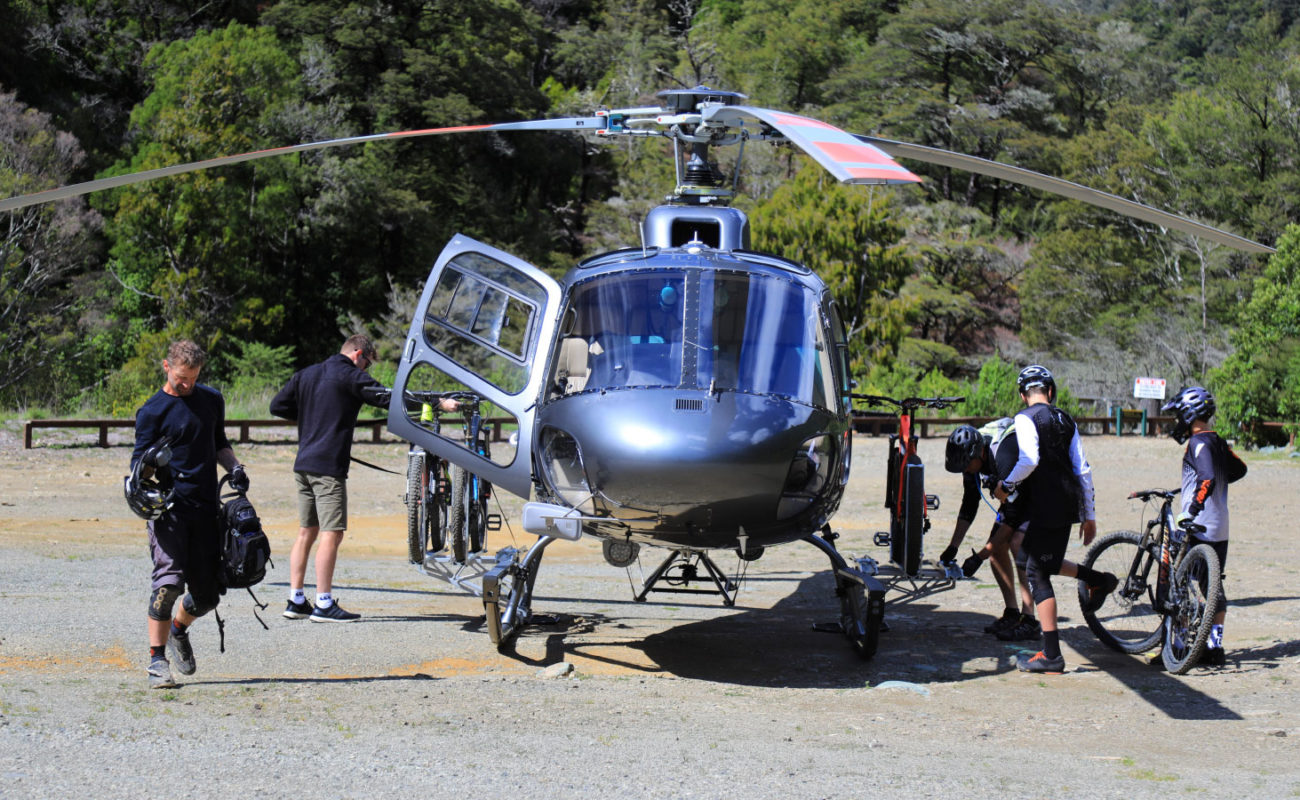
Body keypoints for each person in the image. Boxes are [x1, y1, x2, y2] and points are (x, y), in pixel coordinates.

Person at [270, 334, 455, 622]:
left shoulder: (306, 374)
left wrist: (313, 416)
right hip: (328, 468)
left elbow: (277, 406)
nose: (366, 369)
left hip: (303, 464)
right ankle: (323, 603)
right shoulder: (350, 376)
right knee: (332, 533)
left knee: (307, 531)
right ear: (358, 354)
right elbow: (389, 397)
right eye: (367, 364)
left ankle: (295, 600)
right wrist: (436, 402)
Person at [131, 340, 248, 689]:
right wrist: (152, 462)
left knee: (208, 596)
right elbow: (139, 470)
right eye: (182, 378)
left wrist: (235, 467)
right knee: (168, 585)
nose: (188, 385)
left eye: (194, 378)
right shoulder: (151, 412)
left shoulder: (211, 400)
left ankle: (178, 630)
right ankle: (156, 662)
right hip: (169, 511)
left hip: (206, 510)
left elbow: (219, 443)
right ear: (166, 366)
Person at [995, 364, 1116, 674]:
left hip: (1046, 505)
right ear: (1050, 391)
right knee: (1031, 560)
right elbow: (1082, 469)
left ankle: (1051, 655)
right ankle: (1097, 580)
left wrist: (1006, 485)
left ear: (1023, 395)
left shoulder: (1025, 418)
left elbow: (1029, 460)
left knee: (1037, 573)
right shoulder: (1066, 419)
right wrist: (1089, 515)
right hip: (1067, 503)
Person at [1161, 385, 1247, 666]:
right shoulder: (1216, 440)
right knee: (1213, 587)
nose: (1177, 422)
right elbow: (1239, 469)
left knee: (1181, 585)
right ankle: (1214, 646)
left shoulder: (1198, 443)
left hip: (1197, 525)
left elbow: (1207, 478)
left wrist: (1193, 508)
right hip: (1220, 525)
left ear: (1189, 414)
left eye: (1179, 416)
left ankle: (1178, 646)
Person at [940, 421, 1039, 641]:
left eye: (967, 466)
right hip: (1013, 497)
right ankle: (1012, 613)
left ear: (979, 455)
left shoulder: (1002, 457)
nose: (965, 471)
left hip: (1037, 490)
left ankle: (1029, 620)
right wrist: (953, 546)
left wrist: (979, 557)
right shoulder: (971, 459)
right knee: (997, 550)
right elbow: (969, 504)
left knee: (1017, 545)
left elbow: (1012, 519)